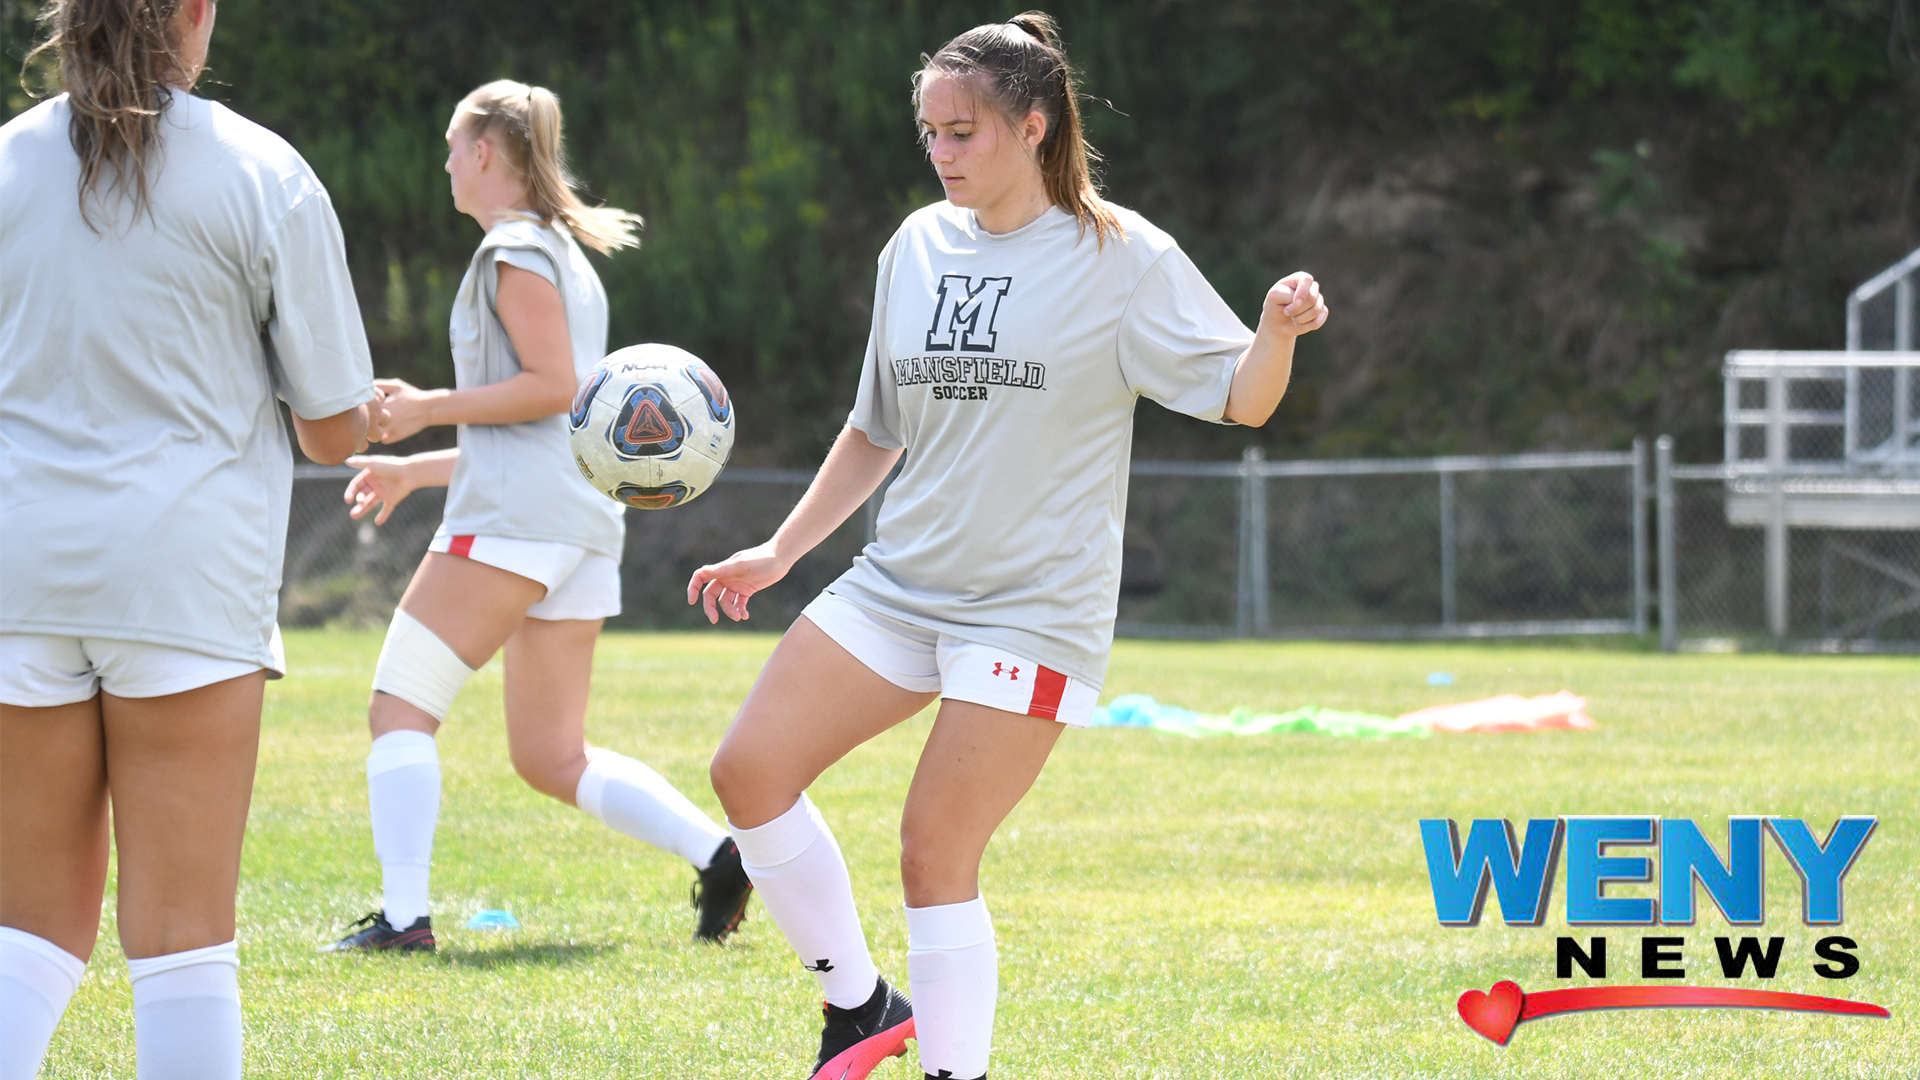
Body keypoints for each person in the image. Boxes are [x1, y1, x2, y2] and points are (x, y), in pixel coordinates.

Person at [687, 12, 1329, 1080]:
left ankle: (956, 1072)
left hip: (1032, 609)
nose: (941, 153)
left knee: (934, 851)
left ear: (1034, 126)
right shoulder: (915, 246)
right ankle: (858, 1005)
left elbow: (1242, 400)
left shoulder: (1122, 256)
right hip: (901, 584)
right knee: (746, 770)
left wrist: (1276, 331)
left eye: (964, 132)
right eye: (930, 132)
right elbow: (874, 428)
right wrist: (782, 549)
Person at [0, 0, 383, 1076]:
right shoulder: (264, 172)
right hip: (183, 577)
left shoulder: (4, 162)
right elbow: (329, 429)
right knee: (180, 940)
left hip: (18, 573)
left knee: (24, 930)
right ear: (196, 14)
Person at [326, 79, 753, 953]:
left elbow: (551, 389)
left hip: (521, 525)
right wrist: (419, 469)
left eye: (453, 146)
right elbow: (553, 427)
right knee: (550, 756)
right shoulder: (563, 254)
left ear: (485, 152)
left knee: (399, 708)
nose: (445, 163)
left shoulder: (511, 250)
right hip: (581, 524)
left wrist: (423, 409)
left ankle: (405, 921)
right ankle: (719, 854)